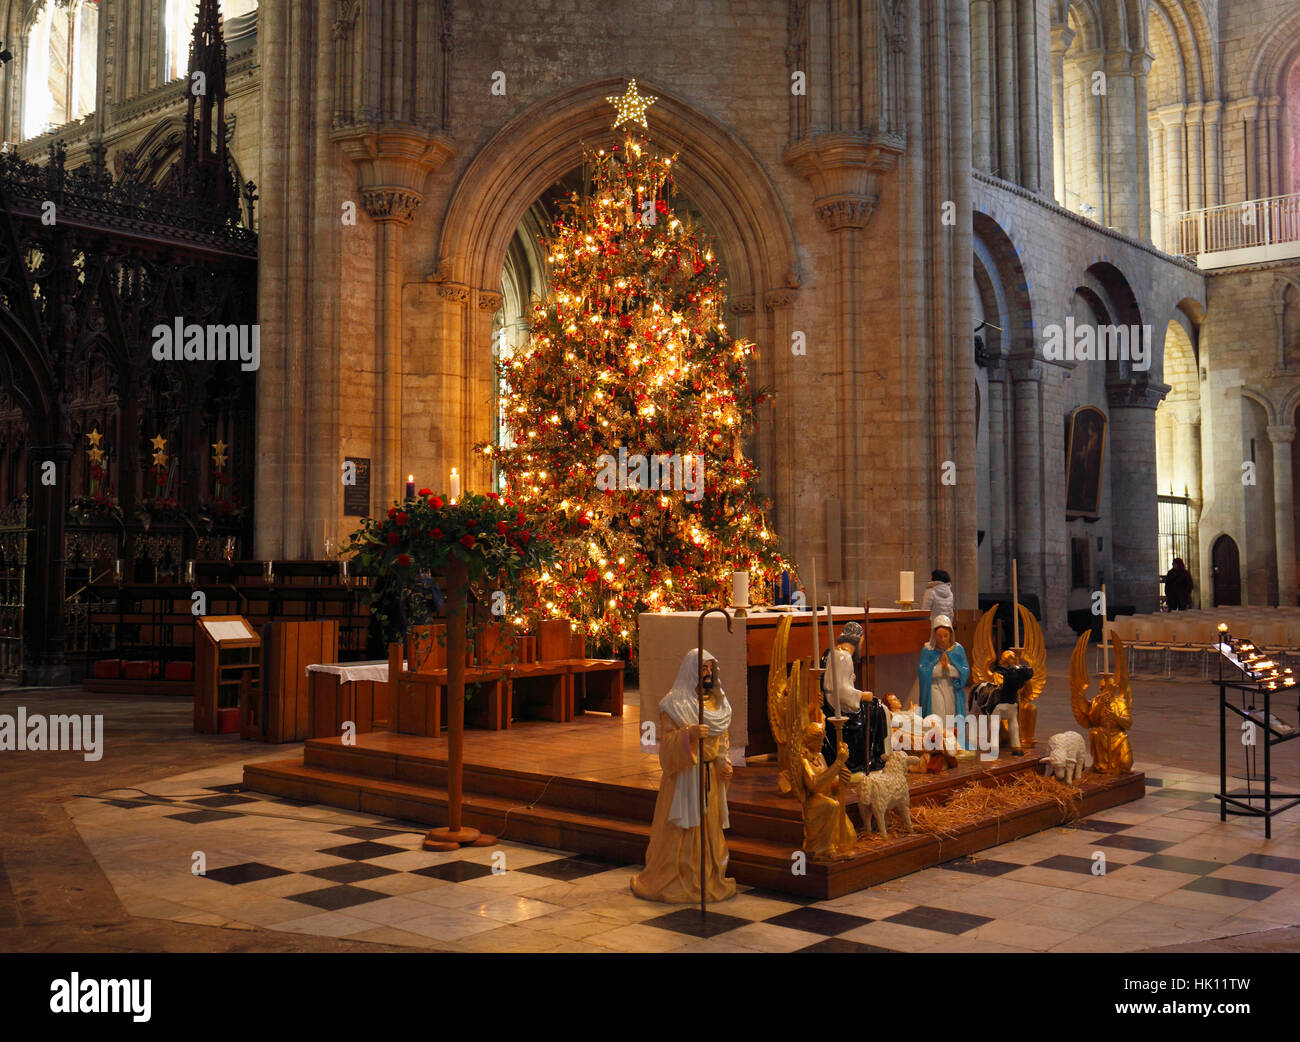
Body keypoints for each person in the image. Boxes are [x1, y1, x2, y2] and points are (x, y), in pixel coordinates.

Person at [631, 648, 737, 903]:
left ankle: (707, 877)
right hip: (684, 781)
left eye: (711, 668)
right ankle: (678, 878)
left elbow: (722, 741)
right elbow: (666, 751)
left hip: (709, 776)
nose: (708, 674)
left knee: (709, 830)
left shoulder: (719, 705)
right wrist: (688, 735)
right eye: (703, 669)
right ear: (691, 671)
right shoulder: (674, 705)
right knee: (683, 833)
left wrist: (724, 762)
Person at [821, 620, 887, 773]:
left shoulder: (835, 652)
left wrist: (851, 679)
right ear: (857, 641)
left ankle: (877, 754)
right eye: (862, 643)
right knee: (876, 709)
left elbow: (839, 681)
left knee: (875, 706)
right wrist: (862, 695)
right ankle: (873, 757)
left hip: (835, 701)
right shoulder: (844, 657)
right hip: (839, 706)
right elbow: (841, 691)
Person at [917, 615, 971, 749]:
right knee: (938, 713)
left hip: (951, 688)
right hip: (934, 688)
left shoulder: (958, 649)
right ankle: (938, 744)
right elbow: (923, 672)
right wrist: (941, 668)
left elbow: (964, 671)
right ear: (934, 636)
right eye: (939, 636)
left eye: (945, 636)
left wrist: (949, 668)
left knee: (951, 715)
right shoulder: (928, 650)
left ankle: (953, 743)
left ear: (951, 634)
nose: (942, 639)